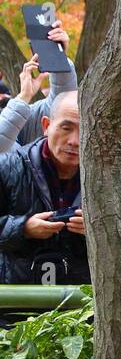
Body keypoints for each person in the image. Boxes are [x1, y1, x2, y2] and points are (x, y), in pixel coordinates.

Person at [0, 91, 86, 288]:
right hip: (14, 306)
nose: (75, 140)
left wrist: (96, 230)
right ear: (46, 126)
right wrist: (24, 228)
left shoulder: (106, 179)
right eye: (66, 128)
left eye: (85, 130)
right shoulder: (7, 168)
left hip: (79, 308)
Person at [0, 18, 77, 154]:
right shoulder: (14, 112)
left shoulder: (17, 115)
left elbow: (58, 109)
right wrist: (22, 98)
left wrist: (58, 59)